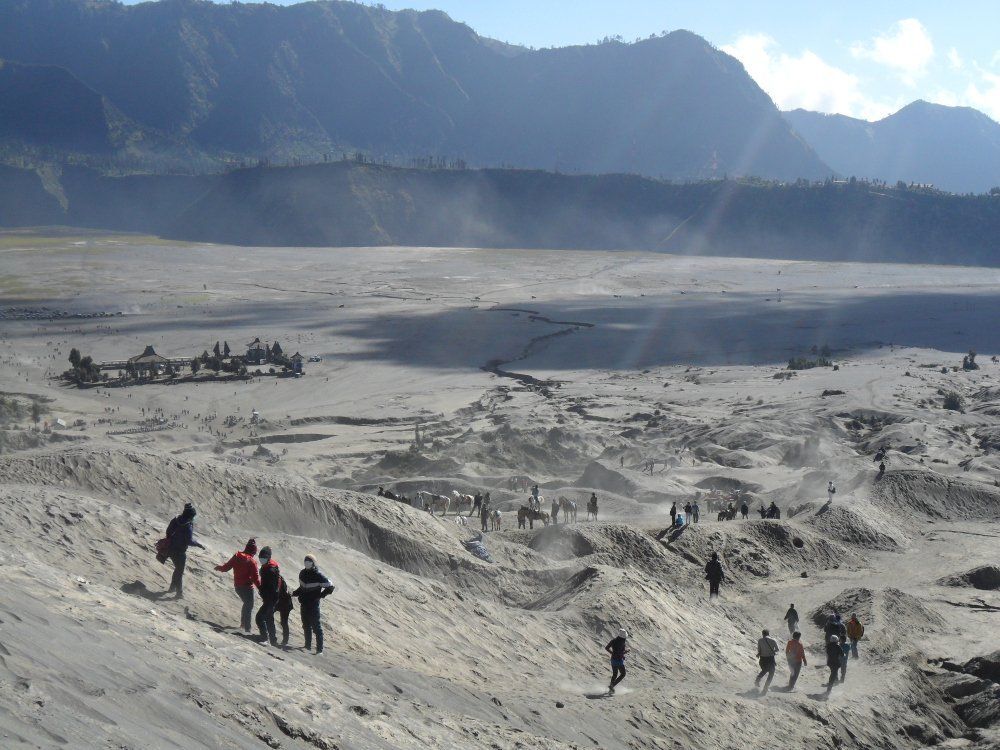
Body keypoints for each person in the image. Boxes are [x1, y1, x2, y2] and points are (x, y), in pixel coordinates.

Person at [215, 538, 261, 632]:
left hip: (238, 587)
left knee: (246, 604)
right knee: (249, 606)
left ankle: (243, 625)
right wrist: (261, 588)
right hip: (247, 588)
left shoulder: (237, 556)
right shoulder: (252, 562)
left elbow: (226, 568)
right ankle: (247, 629)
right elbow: (255, 579)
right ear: (253, 551)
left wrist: (219, 568)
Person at [293, 554, 335, 654]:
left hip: (313, 605)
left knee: (316, 627)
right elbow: (302, 588)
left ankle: (319, 650)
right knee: (306, 625)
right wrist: (294, 593)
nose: (307, 563)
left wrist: (320, 595)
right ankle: (307, 646)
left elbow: (330, 586)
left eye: (309, 561)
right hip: (304, 603)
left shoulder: (318, 575)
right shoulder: (302, 573)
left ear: (313, 563)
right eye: (305, 561)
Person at [164, 503, 205, 599]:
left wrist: (172, 540)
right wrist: (198, 544)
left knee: (177, 569)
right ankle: (179, 593)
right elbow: (189, 541)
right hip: (180, 552)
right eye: (193, 516)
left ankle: (172, 588)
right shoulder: (188, 526)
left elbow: (168, 531)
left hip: (170, 548)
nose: (193, 518)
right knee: (179, 572)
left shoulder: (175, 520)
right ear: (190, 516)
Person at [255, 546, 281, 646]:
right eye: (260, 557)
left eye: (264, 558)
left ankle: (265, 638)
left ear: (268, 558)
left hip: (271, 599)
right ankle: (273, 640)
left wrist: (263, 593)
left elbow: (271, 587)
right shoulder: (266, 567)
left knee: (259, 617)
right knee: (269, 618)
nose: (262, 559)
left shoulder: (271, 570)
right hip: (270, 598)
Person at [605, 628, 630, 694]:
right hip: (618, 661)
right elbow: (620, 653)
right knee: (623, 674)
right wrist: (627, 651)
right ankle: (612, 686)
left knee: (615, 674)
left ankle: (611, 689)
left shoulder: (613, 640)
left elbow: (606, 648)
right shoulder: (622, 643)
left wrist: (612, 653)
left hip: (613, 660)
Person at [755, 629, 779, 693]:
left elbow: (759, 650)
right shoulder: (773, 640)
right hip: (770, 659)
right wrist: (772, 651)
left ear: (762, 634)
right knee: (771, 673)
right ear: (768, 634)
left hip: (762, 659)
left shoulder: (760, 640)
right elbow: (777, 649)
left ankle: (758, 679)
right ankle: (766, 688)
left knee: (764, 670)